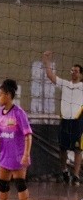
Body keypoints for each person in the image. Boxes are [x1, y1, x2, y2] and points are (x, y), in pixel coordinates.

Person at [41, 51, 83, 184]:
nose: (73, 72)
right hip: (65, 121)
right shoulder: (65, 84)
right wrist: (46, 61)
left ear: (81, 74)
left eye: (76, 71)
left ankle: (76, 176)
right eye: (72, 70)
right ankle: (64, 171)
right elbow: (50, 75)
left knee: (78, 150)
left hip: (78, 122)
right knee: (62, 149)